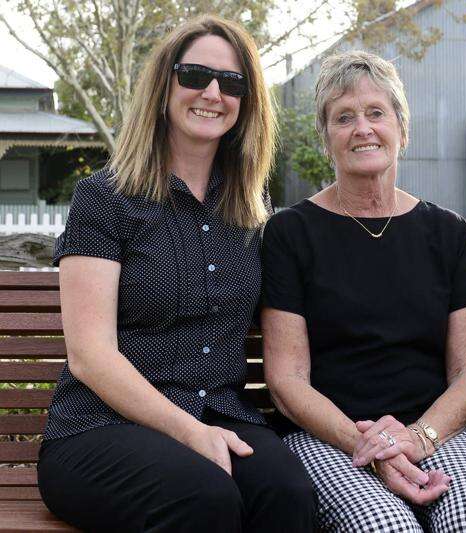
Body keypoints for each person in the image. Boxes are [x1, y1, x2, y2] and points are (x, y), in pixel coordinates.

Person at [37, 15, 315, 532]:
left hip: (221, 413)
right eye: (195, 76)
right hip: (99, 427)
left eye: (232, 83)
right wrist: (188, 432)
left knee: (289, 496)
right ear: (165, 85)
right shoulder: (105, 198)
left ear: (246, 102)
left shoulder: (252, 213)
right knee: (204, 500)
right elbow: (90, 356)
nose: (213, 92)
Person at [260, 50, 466, 532]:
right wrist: (369, 445)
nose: (363, 129)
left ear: (402, 126)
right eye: (344, 118)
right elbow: (288, 379)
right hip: (329, 436)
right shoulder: (290, 234)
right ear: (326, 137)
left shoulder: (444, 231)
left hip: (437, 432)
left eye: (376, 113)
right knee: (385, 527)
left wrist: (419, 438)